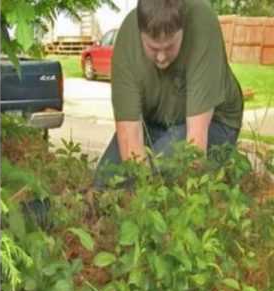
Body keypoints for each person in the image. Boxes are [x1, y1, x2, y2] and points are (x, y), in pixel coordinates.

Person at [94, 0, 244, 187]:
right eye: (153, 48)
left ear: (182, 27)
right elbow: (129, 134)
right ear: (140, 32)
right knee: (105, 184)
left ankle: (233, 169)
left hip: (215, 122)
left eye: (170, 46)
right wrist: (139, 190)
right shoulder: (127, 38)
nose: (161, 57)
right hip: (155, 122)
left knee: (163, 174)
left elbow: (195, 143)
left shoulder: (202, 23)